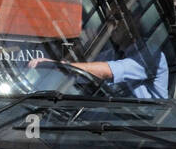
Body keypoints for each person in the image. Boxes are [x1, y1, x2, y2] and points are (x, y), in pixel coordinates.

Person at [28, 19, 168, 99]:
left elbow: (108, 71)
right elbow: (86, 73)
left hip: (150, 119)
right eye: (109, 21)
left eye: (117, 20)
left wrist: (58, 65)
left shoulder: (151, 52)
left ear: (132, 23)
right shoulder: (112, 53)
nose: (112, 27)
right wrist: (58, 64)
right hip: (116, 115)